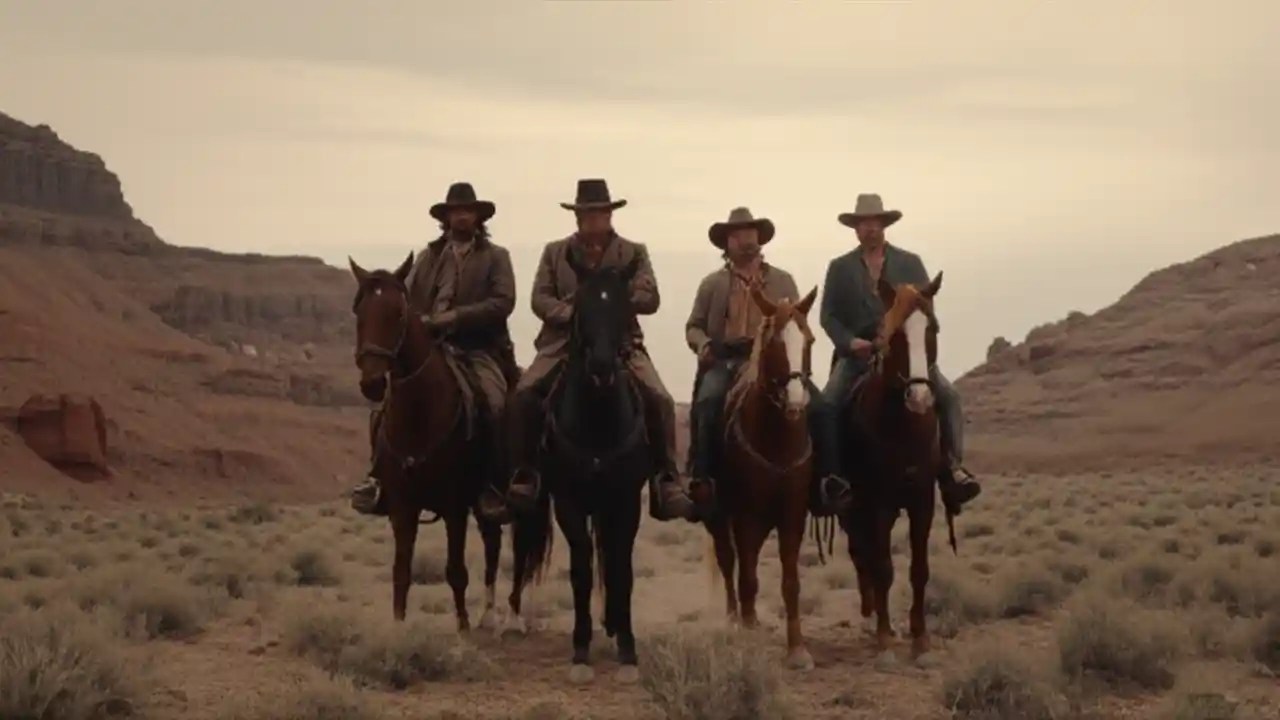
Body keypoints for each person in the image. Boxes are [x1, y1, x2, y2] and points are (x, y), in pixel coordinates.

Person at [505, 178, 694, 521]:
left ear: (610, 214)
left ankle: (666, 478)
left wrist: (614, 305)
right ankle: (525, 473)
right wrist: (574, 312)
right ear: (577, 217)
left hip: (620, 343)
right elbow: (539, 298)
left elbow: (650, 297)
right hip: (563, 343)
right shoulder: (555, 252)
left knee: (661, 399)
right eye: (587, 214)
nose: (594, 220)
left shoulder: (633, 252)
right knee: (523, 394)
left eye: (600, 213)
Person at [350, 181, 520, 522]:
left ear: (477, 217)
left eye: (467, 211)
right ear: (446, 218)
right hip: (433, 349)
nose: (461, 217)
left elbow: (503, 302)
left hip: (478, 348)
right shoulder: (428, 258)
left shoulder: (495, 257)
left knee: (495, 401)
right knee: (388, 404)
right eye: (455, 211)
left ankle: (493, 484)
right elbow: (408, 303)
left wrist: (454, 317)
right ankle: (379, 477)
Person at [819, 193, 981, 515]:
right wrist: (850, 342)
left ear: (884, 225)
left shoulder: (910, 262)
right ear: (855, 229)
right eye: (863, 224)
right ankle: (834, 477)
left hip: (905, 352)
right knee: (826, 405)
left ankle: (952, 469)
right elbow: (829, 316)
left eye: (875, 223)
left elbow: (926, 310)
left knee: (949, 396)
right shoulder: (840, 268)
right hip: (859, 354)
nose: (870, 229)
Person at [685, 207, 853, 517]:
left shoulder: (783, 281)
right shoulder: (713, 284)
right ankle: (702, 480)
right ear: (727, 244)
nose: (745, 241)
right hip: (728, 358)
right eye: (737, 236)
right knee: (708, 402)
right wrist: (704, 343)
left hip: (774, 364)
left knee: (822, 408)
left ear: (759, 239)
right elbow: (693, 325)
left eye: (750, 234)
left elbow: (798, 324)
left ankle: (828, 480)